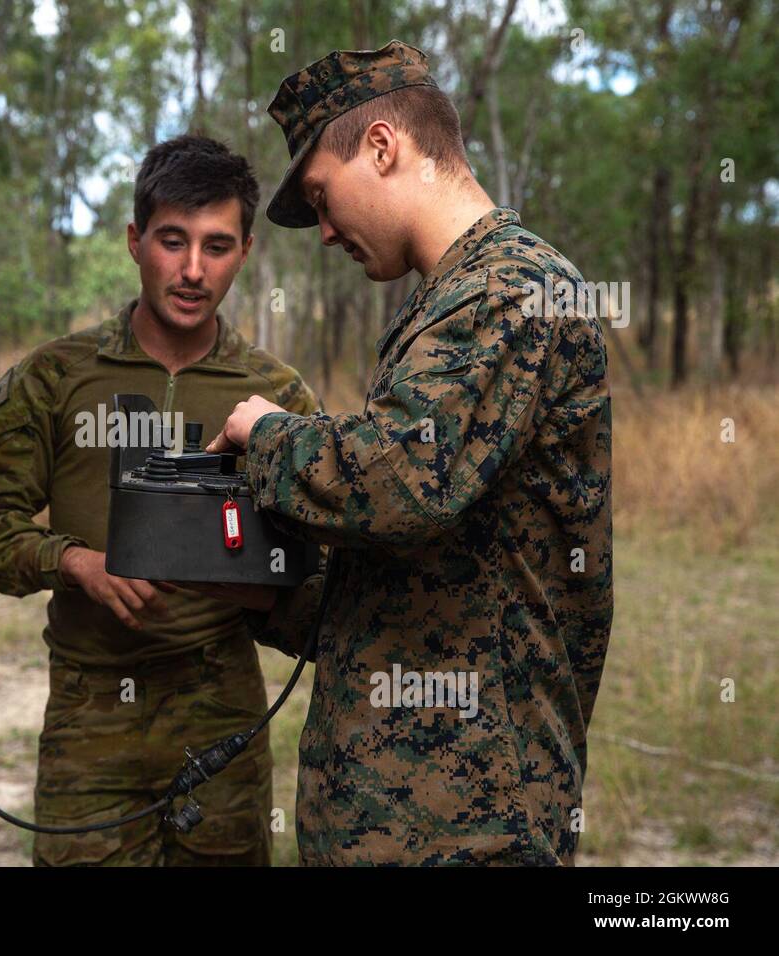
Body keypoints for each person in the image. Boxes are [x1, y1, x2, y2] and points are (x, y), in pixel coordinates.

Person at [207, 41, 614, 865]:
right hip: (399, 814)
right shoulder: (447, 302)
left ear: (384, 147)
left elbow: (402, 480)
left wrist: (263, 432)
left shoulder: (514, 290)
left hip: (472, 825)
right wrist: (265, 591)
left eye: (321, 197)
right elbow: (424, 581)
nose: (323, 231)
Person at [0, 134, 319, 866]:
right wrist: (77, 563)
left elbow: (314, 575)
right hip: (92, 709)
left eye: (217, 246)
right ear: (134, 240)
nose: (192, 271)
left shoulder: (276, 396)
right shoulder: (56, 376)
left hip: (221, 706)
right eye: (172, 241)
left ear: (246, 250)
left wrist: (257, 592)